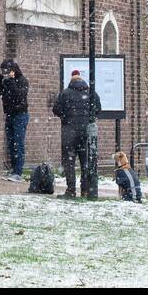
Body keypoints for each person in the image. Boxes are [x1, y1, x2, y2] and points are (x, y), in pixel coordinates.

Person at [52, 69, 101, 198]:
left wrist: (66, 117)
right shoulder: (91, 93)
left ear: (71, 80)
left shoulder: (65, 93)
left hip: (70, 131)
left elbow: (56, 109)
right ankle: (85, 189)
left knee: (69, 162)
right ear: (82, 80)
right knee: (85, 162)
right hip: (86, 133)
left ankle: (71, 190)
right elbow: (98, 109)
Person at [0, 59, 30, 181]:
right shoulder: (6, 81)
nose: (5, 72)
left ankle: (18, 171)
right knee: (11, 143)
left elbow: (18, 96)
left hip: (20, 114)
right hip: (9, 114)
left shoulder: (22, 81)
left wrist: (11, 82)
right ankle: (13, 168)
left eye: (7, 70)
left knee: (18, 143)